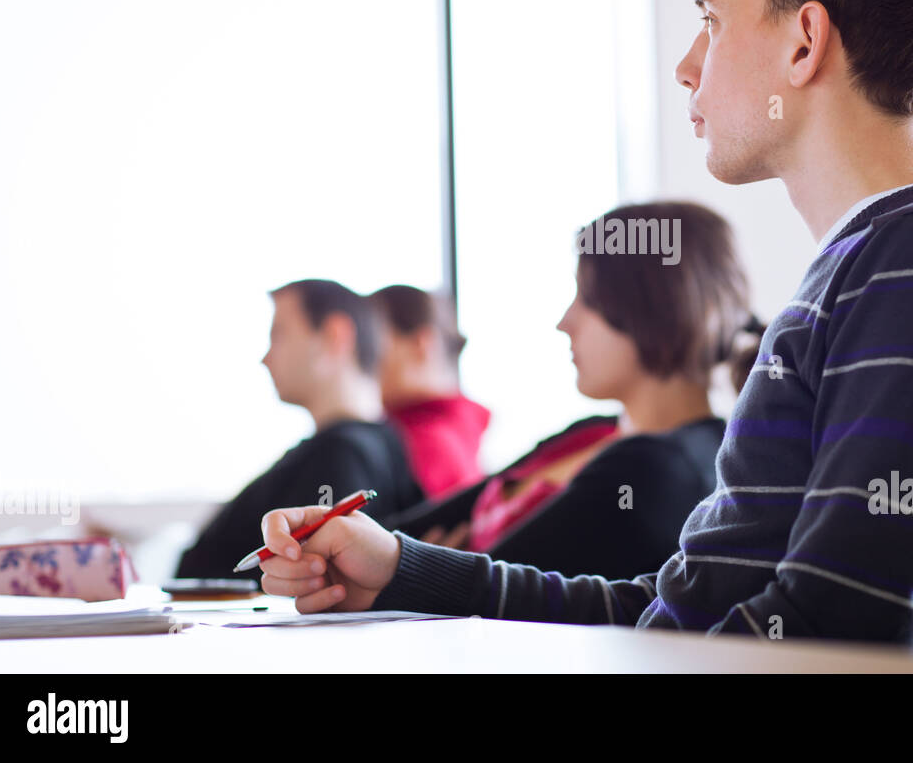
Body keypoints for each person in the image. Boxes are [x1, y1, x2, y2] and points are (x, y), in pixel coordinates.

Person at [257, 0, 913, 646]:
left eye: (710, 19)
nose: (686, 65)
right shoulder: (869, 272)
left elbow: (833, 629)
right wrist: (400, 568)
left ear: (804, 42)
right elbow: (674, 616)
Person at [377, 200, 757, 581]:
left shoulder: (659, 470)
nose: (564, 323)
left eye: (587, 299)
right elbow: (398, 539)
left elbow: (480, 592)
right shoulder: (591, 432)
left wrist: (421, 572)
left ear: (654, 307)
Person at [174, 279, 421, 580]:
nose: (265, 358)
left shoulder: (340, 454)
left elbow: (316, 578)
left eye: (278, 335)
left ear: (334, 336)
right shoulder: (387, 443)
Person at [370, 285, 490, 502]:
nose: (363, 357)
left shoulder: (424, 442)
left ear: (420, 344)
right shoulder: (456, 428)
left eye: (371, 342)